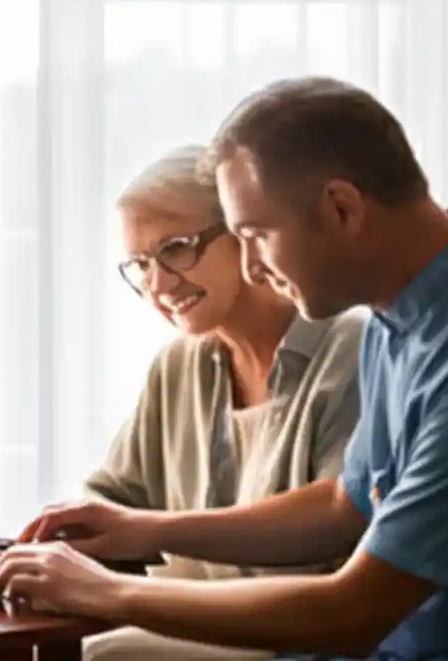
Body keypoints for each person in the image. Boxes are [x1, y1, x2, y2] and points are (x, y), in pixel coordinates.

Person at [0, 77, 448, 659]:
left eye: (256, 235)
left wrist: (110, 593)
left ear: (343, 208)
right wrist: (151, 530)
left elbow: (353, 612)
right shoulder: (406, 311)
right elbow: (349, 504)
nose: (252, 266)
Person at [84, 145, 364, 660]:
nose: (159, 285)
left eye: (176, 248)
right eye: (141, 264)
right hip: (197, 620)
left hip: (298, 636)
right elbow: (113, 500)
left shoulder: (352, 348)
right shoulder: (178, 366)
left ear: (244, 232)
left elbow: (341, 528)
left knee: (100, 655)